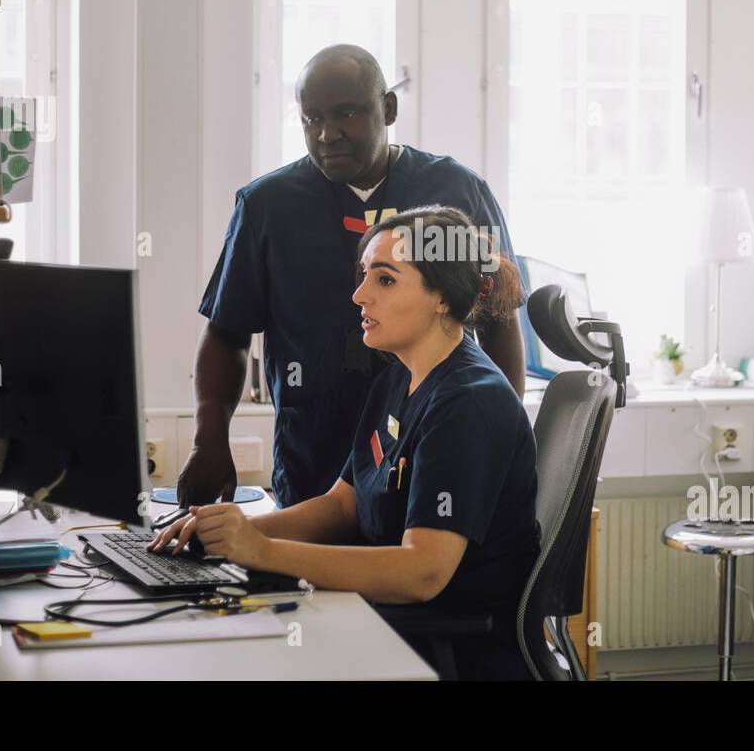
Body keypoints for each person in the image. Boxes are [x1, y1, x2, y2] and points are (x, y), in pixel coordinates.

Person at [152, 206, 541, 680]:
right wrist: (224, 531)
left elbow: (423, 572)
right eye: (364, 277)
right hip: (390, 626)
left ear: (441, 297)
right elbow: (343, 506)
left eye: (385, 280)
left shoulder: (469, 403)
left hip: (451, 654)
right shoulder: (399, 377)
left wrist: (259, 550)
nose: (359, 295)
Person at [184, 44, 526, 509]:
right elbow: (227, 333)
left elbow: (499, 321)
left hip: (435, 458)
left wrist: (503, 437)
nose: (328, 134)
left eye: (347, 113)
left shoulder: (455, 194)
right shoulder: (269, 207)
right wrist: (209, 441)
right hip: (314, 470)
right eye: (311, 118)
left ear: (388, 108)